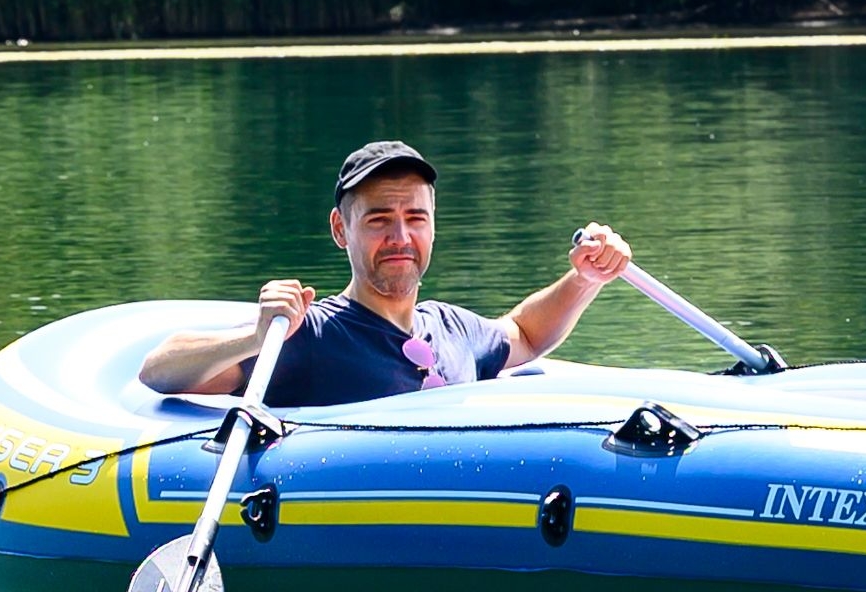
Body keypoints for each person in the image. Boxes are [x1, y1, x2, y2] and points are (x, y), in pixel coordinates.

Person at [138, 140, 634, 408]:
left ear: (433, 227)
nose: (400, 236)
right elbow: (158, 371)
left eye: (415, 218)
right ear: (341, 229)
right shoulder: (311, 336)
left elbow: (524, 333)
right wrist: (254, 337)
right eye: (379, 220)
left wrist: (585, 279)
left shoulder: (453, 328)